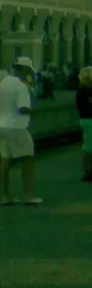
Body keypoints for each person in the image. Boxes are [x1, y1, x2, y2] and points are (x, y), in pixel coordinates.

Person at [0, 57, 42, 205]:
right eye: (28, 70)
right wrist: (35, 111)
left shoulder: (3, 82)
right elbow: (23, 108)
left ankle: (4, 196)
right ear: (23, 69)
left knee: (5, 161)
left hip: (2, 126)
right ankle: (29, 195)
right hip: (17, 127)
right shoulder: (20, 86)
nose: (29, 73)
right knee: (28, 160)